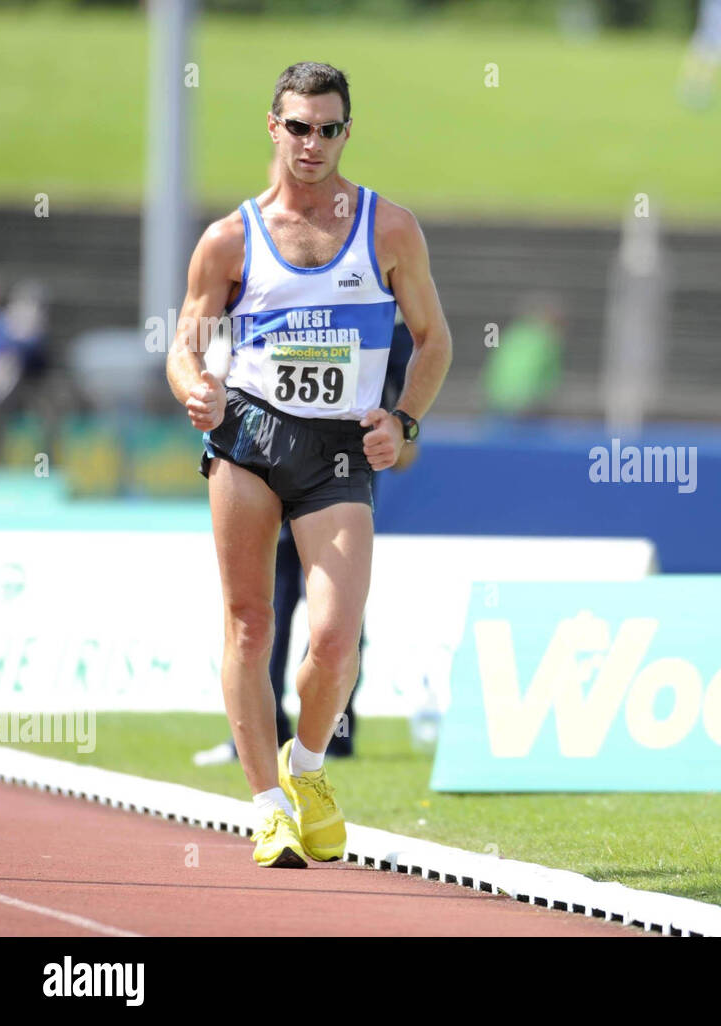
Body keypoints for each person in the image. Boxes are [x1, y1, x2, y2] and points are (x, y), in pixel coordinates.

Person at [166, 62, 452, 868]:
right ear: (273, 127)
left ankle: (311, 765)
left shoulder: (389, 229)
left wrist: (404, 420)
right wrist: (195, 390)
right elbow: (186, 345)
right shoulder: (231, 239)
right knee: (251, 623)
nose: (312, 143)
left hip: (337, 451)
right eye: (298, 126)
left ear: (346, 133)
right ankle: (267, 809)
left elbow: (434, 341)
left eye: (328, 129)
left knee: (332, 638)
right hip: (250, 437)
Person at [191, 314, 417, 767]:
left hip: (337, 480)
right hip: (272, 470)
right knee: (260, 613)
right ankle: (261, 735)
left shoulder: (389, 332)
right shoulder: (272, 307)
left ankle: (333, 735)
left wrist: (400, 431)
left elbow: (403, 438)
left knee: (336, 618)